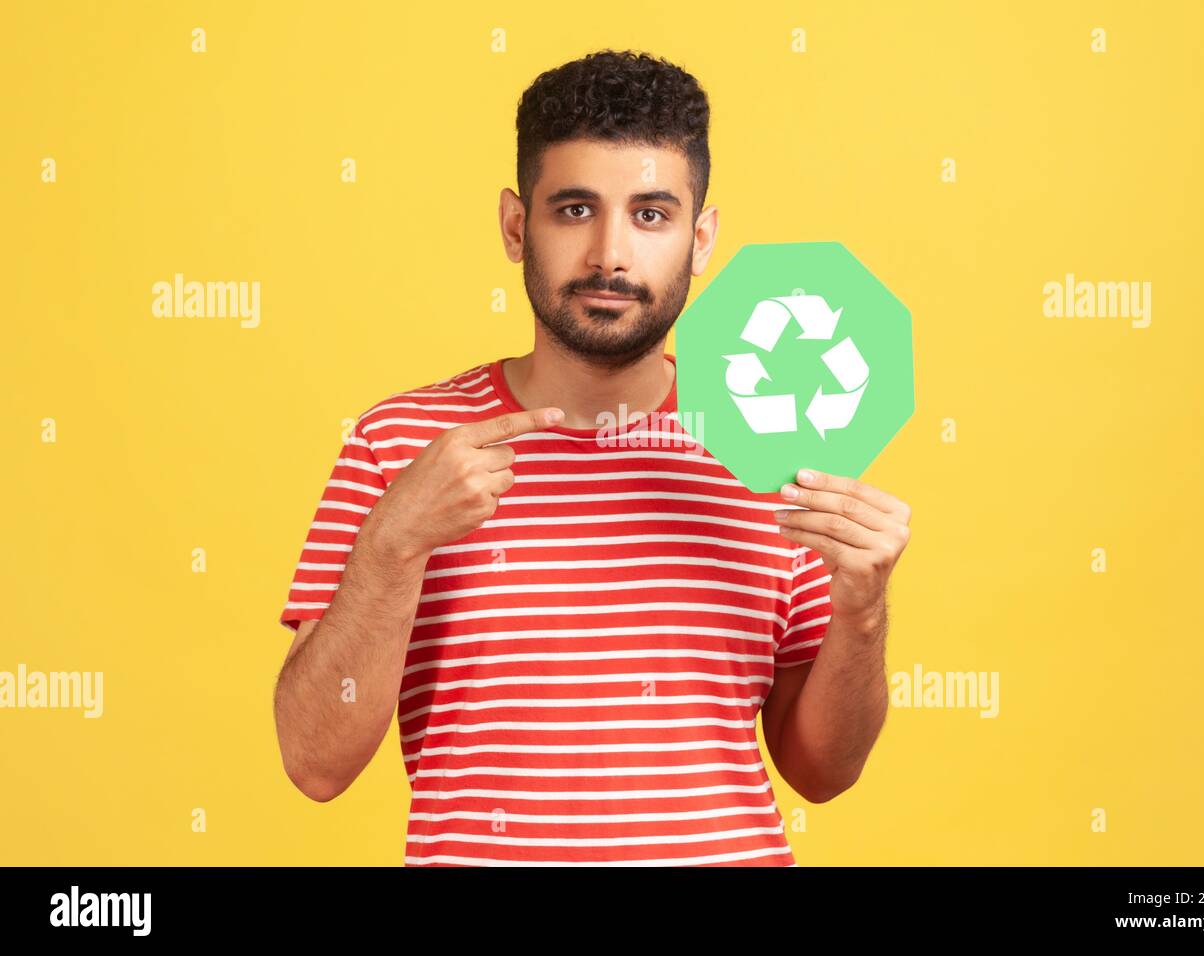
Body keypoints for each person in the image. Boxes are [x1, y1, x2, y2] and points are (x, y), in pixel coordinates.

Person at [273, 49, 912, 866]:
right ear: (515, 225)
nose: (611, 255)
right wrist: (393, 546)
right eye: (575, 210)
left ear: (701, 236)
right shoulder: (400, 444)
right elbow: (313, 763)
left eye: (651, 215)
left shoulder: (776, 444)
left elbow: (823, 772)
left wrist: (862, 608)